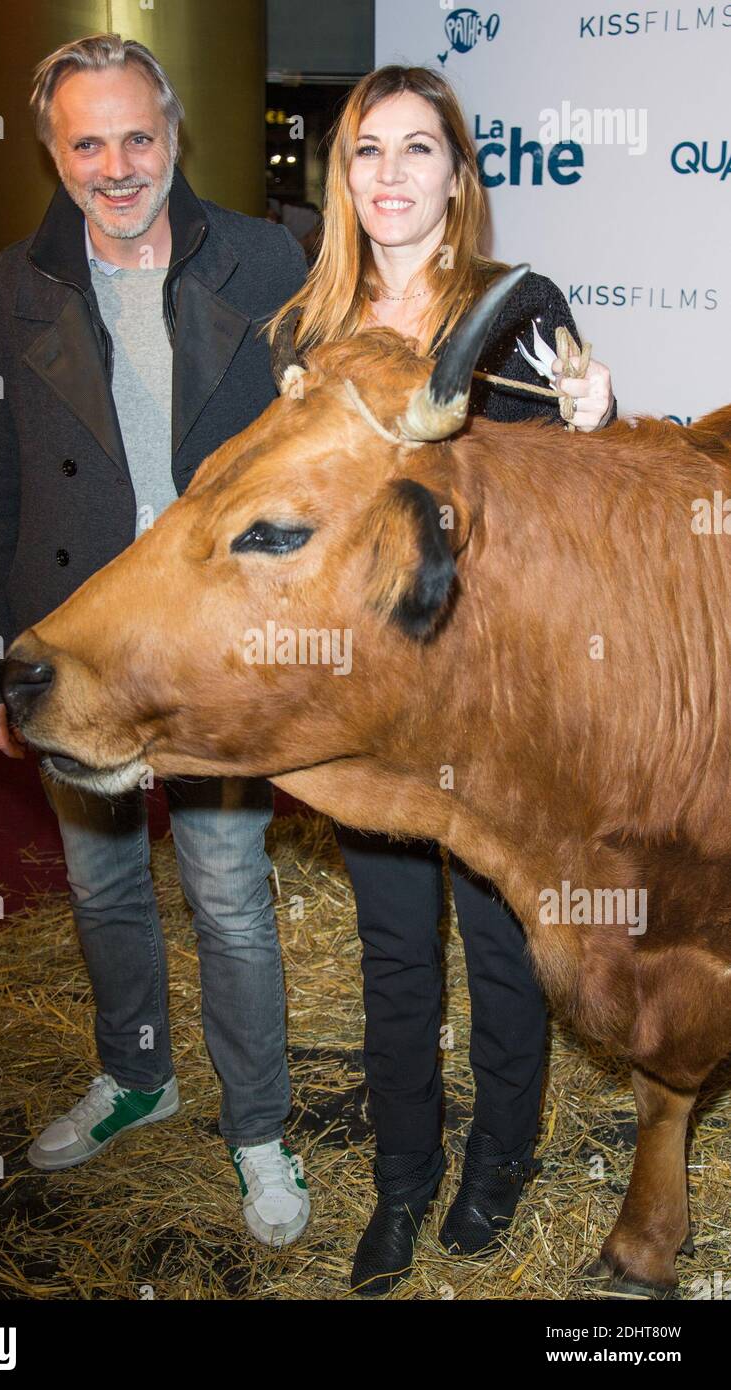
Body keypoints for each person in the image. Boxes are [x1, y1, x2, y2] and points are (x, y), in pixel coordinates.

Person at [0, 33, 312, 1249]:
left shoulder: (265, 260)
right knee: (104, 887)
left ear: (174, 138)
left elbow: (317, 470)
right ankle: (139, 1079)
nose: (116, 165)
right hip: (81, 645)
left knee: (227, 894)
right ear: (53, 151)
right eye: (86, 142)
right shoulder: (6, 291)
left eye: (136, 137)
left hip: (212, 652)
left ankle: (257, 1129)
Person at [268, 64, 617, 1295]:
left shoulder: (517, 312)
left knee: (501, 940)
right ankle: (402, 1175)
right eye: (368, 151)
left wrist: (588, 429)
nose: (391, 175)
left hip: (486, 700)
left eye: (418, 151)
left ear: (457, 179)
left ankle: (500, 1160)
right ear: (342, 177)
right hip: (366, 704)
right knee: (392, 951)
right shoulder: (306, 330)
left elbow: (550, 530)